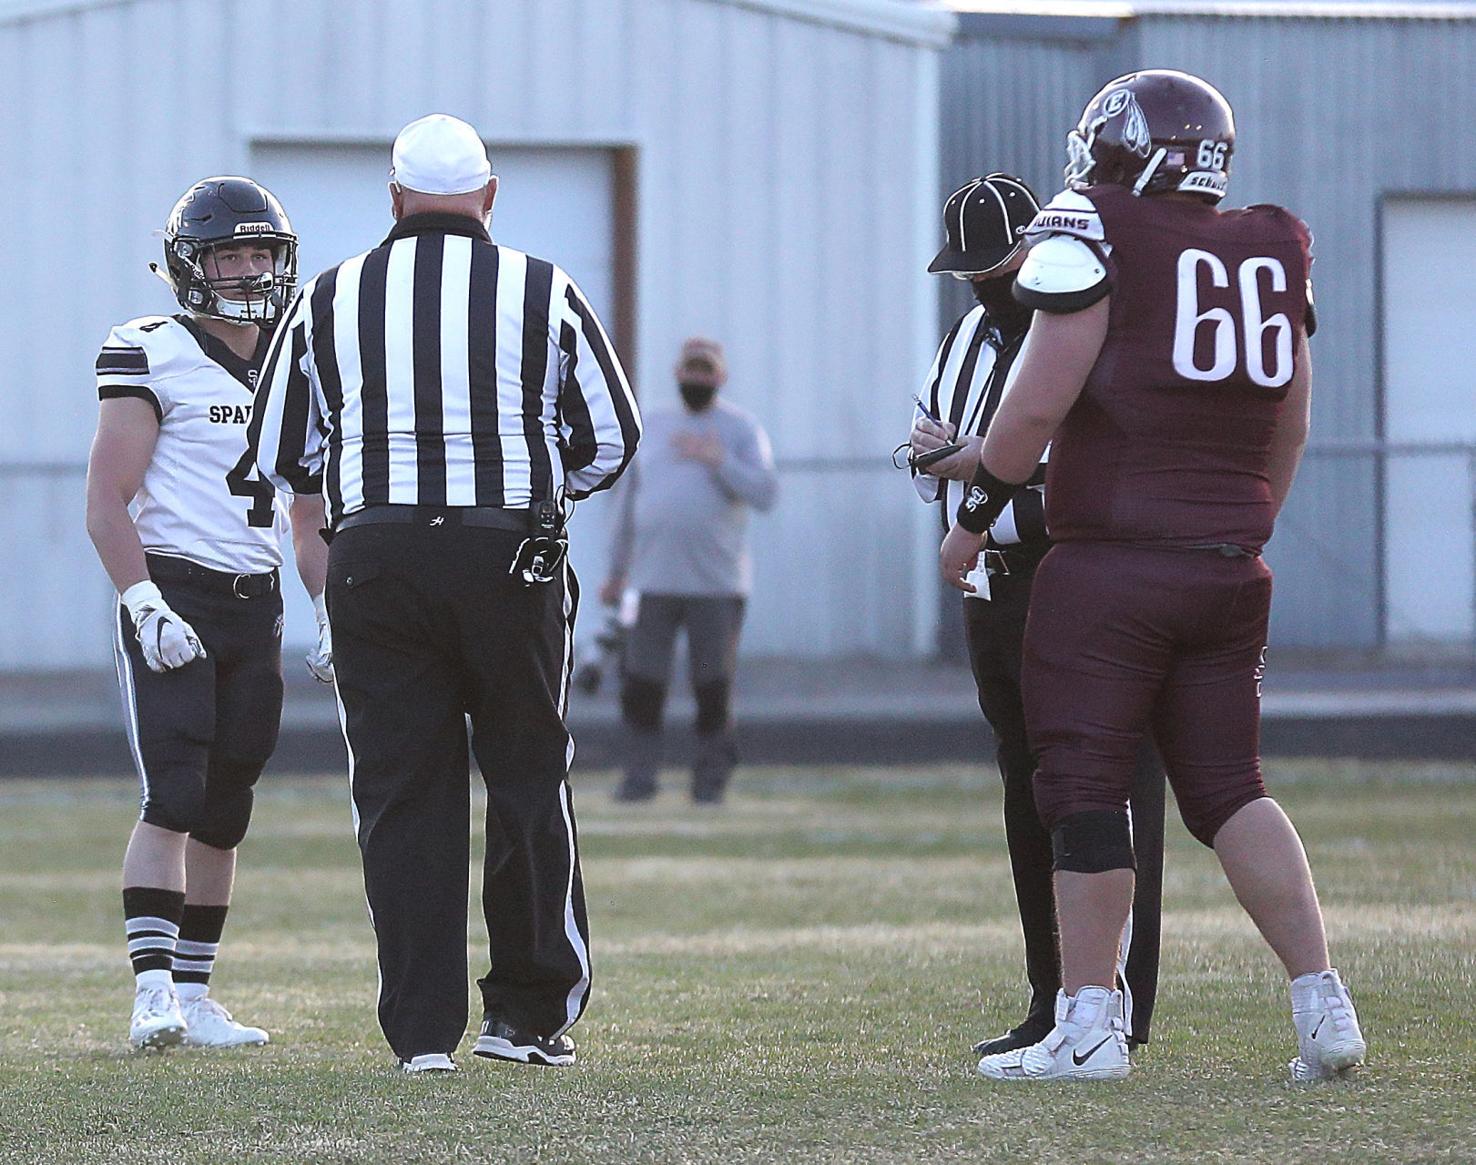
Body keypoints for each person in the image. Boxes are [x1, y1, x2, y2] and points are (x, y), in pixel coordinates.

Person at [940, 70, 1367, 1082]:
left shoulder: (1098, 232)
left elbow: (1038, 403)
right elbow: (1292, 416)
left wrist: (971, 519)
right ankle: (1322, 1003)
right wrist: (1245, 521)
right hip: (1228, 561)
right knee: (1229, 786)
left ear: (1125, 148)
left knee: (1082, 780)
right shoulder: (1270, 246)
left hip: (1111, 563)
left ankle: (1088, 1022)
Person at [250, 113, 641, 1074]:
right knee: (525, 774)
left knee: (400, 790)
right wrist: (536, 489)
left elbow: (275, 453)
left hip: (375, 555)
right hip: (508, 556)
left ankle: (422, 1034)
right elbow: (613, 438)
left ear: (393, 200)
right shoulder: (542, 287)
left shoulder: (328, 295)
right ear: (490, 196)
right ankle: (527, 1013)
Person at [907, 174, 1165, 1057]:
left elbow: (1058, 453)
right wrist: (976, 458)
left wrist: (977, 456)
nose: (985, 284)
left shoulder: (1082, 321)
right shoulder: (973, 331)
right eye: (972, 270)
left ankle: (1117, 997)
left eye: (1000, 264)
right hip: (992, 583)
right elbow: (923, 442)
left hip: (1070, 568)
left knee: (1104, 785)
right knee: (1028, 789)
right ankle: (1051, 992)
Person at [85, 176, 331, 1051]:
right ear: (193, 263)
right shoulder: (151, 348)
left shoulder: (297, 357)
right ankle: (150, 991)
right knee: (175, 791)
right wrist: (141, 599)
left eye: (261, 251)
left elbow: (307, 514)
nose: (248, 267)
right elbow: (107, 499)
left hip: (254, 604)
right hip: (175, 591)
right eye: (230, 251)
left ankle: (195, 994)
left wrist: (327, 608)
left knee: (228, 805)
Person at [600, 338, 778, 804]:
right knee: (641, 682)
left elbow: (765, 493)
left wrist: (718, 460)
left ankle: (710, 781)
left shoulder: (740, 429)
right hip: (649, 581)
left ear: (720, 377)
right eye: (690, 371)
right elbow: (627, 504)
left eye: (706, 372)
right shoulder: (652, 426)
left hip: (716, 585)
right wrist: (616, 571)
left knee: (712, 685)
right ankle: (639, 779)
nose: (696, 380)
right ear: (677, 373)